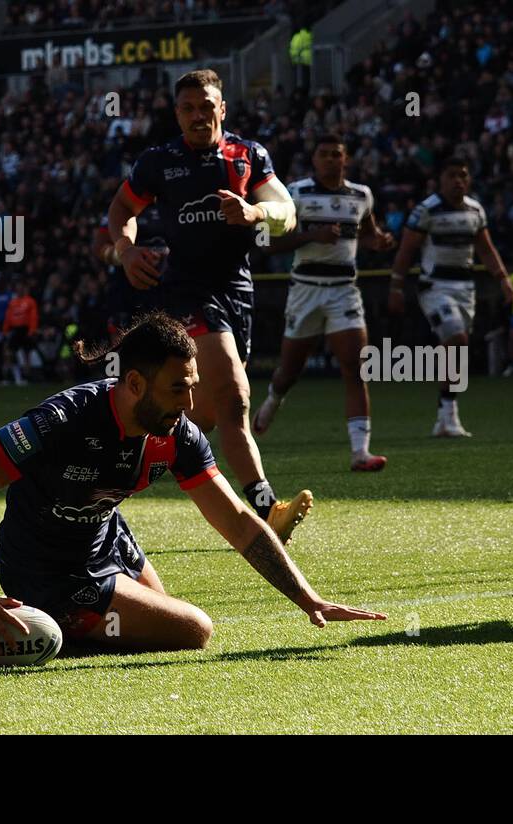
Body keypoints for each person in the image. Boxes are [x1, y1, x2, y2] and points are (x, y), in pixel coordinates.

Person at [0, 312, 385, 652]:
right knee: (194, 629)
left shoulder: (176, 436)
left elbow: (237, 521)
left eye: (193, 386)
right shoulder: (63, 421)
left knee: (162, 620)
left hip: (107, 541)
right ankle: (49, 625)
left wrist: (310, 600)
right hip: (42, 571)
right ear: (134, 383)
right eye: (176, 388)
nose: (189, 403)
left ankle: (72, 626)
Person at [105, 68, 311, 543]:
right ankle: (268, 509)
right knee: (235, 397)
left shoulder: (248, 155)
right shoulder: (159, 161)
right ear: (177, 114)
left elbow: (286, 211)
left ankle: (96, 492)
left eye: (206, 107)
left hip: (238, 290)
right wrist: (126, 250)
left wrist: (255, 211)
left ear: (222, 109)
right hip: (186, 293)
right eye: (188, 109)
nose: (198, 116)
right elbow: (121, 210)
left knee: (198, 418)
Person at [253, 135, 395, 472]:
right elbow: (266, 243)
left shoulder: (361, 195)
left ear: (346, 160)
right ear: (314, 159)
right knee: (290, 370)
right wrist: (310, 236)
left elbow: (368, 232)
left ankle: (360, 452)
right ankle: (274, 398)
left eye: (337, 154)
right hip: (305, 289)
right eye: (324, 154)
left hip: (344, 290)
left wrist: (378, 241)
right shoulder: (296, 194)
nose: (331, 159)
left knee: (355, 368)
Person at [387, 157, 513, 437]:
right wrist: (396, 286)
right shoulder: (426, 210)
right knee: (457, 338)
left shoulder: (475, 210)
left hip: (465, 287)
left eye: (463, 175)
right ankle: (448, 414)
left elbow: (486, 249)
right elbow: (407, 250)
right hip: (435, 287)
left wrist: (503, 278)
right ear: (440, 180)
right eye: (452, 175)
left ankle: (445, 417)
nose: (458, 181)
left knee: (457, 347)